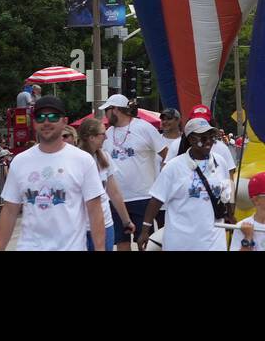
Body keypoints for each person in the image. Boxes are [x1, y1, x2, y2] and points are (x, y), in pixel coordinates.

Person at [0, 96, 104, 251]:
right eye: (40, 117)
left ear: (64, 121)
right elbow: (9, 211)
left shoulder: (83, 160)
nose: (46, 122)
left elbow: (95, 211)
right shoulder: (20, 162)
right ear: (34, 123)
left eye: (53, 117)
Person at [142, 117, 233, 251]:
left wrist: (230, 214)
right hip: (181, 242)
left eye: (211, 137)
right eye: (203, 138)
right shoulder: (173, 167)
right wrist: (145, 230)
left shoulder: (220, 162)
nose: (208, 142)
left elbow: (227, 188)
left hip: (214, 242)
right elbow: (156, 199)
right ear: (191, 140)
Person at [100, 93, 168, 250]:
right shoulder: (108, 134)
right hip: (116, 199)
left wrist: (162, 181)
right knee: (121, 243)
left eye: (107, 110)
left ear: (115, 109)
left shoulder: (143, 128)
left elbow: (166, 154)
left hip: (142, 197)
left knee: (145, 243)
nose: (105, 115)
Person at [77, 117, 137, 252]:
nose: (106, 137)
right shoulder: (75, 160)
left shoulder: (104, 157)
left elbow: (114, 193)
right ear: (91, 137)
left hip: (105, 224)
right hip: (80, 227)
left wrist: (126, 221)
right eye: (103, 134)